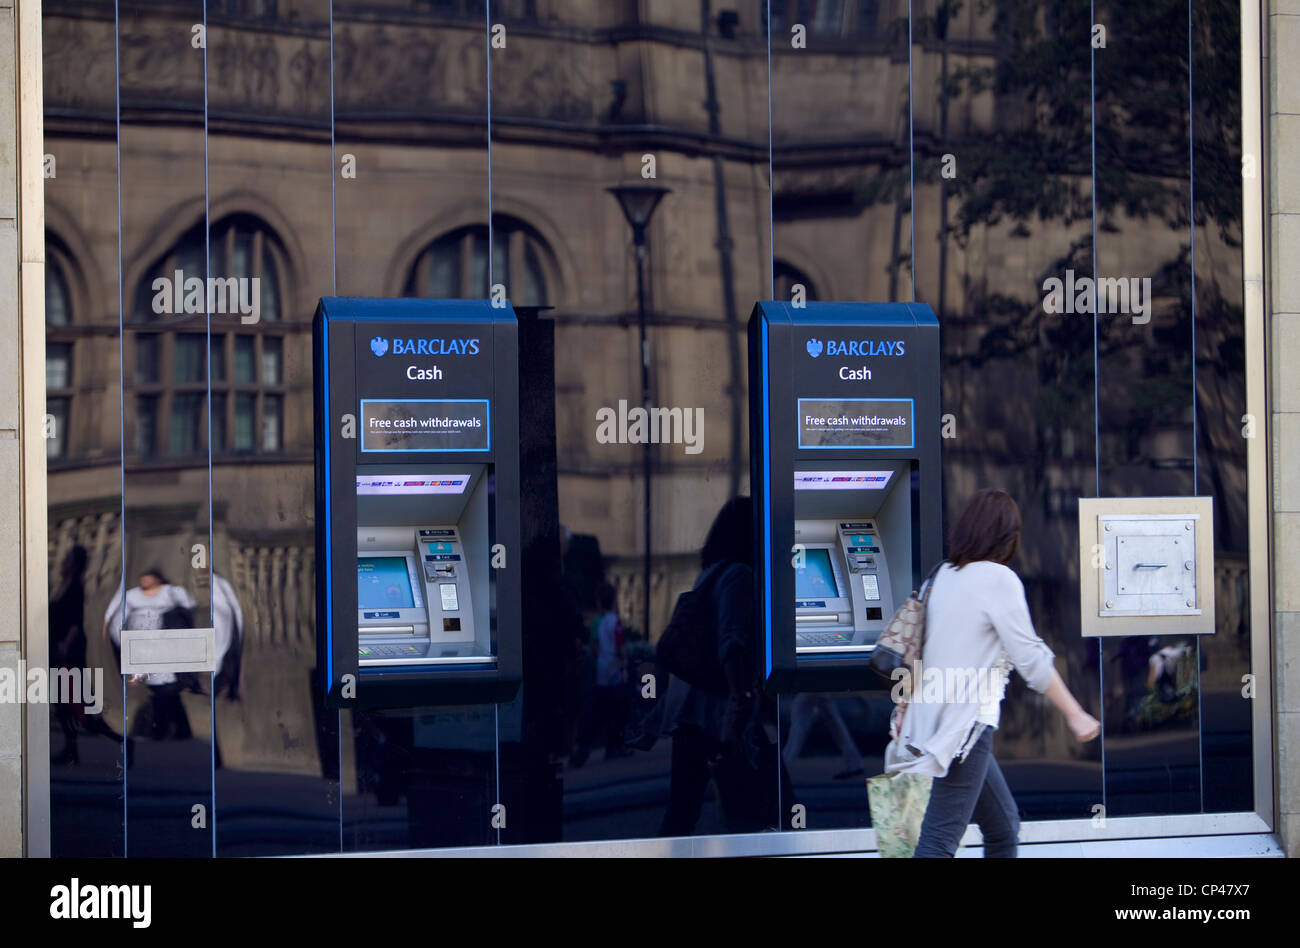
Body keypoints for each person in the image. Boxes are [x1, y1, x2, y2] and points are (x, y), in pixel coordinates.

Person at [885, 488, 1100, 858]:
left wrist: (904, 709)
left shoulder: (944, 575)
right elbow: (1031, 659)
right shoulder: (999, 580)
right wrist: (1075, 713)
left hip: (934, 719)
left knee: (1002, 826)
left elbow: (924, 652)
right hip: (965, 726)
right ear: (1007, 536)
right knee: (938, 841)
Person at [657, 496, 786, 835]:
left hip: (693, 712)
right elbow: (731, 645)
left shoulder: (710, 574)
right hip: (720, 713)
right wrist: (742, 702)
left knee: (683, 811)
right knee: (773, 803)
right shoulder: (738, 576)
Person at [103, 568, 198, 741]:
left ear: (158, 579)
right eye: (142, 579)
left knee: (163, 687)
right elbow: (118, 620)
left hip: (165, 643)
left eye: (148, 578)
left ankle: (163, 729)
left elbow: (189, 607)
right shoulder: (132, 596)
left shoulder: (171, 593)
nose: (144, 582)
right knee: (162, 688)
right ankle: (180, 729)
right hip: (143, 645)